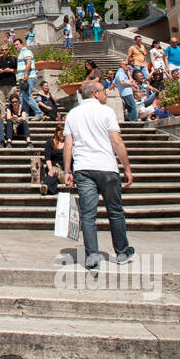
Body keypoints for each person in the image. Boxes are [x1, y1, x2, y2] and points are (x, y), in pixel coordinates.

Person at [62, 80, 135, 269]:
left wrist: (67, 170)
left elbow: (68, 144)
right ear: (95, 93)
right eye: (103, 91)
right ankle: (121, 251)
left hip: (83, 168)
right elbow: (116, 141)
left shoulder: (73, 114)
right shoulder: (107, 112)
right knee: (115, 211)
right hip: (107, 167)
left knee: (88, 213)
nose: (106, 94)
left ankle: (92, 255)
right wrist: (126, 168)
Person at [44, 125, 66, 194]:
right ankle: (45, 187)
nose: (62, 134)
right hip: (54, 166)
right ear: (57, 133)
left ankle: (46, 186)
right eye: (61, 132)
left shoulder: (69, 143)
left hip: (65, 168)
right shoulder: (50, 143)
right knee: (53, 173)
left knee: (54, 176)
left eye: (64, 132)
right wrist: (50, 169)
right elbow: (47, 158)